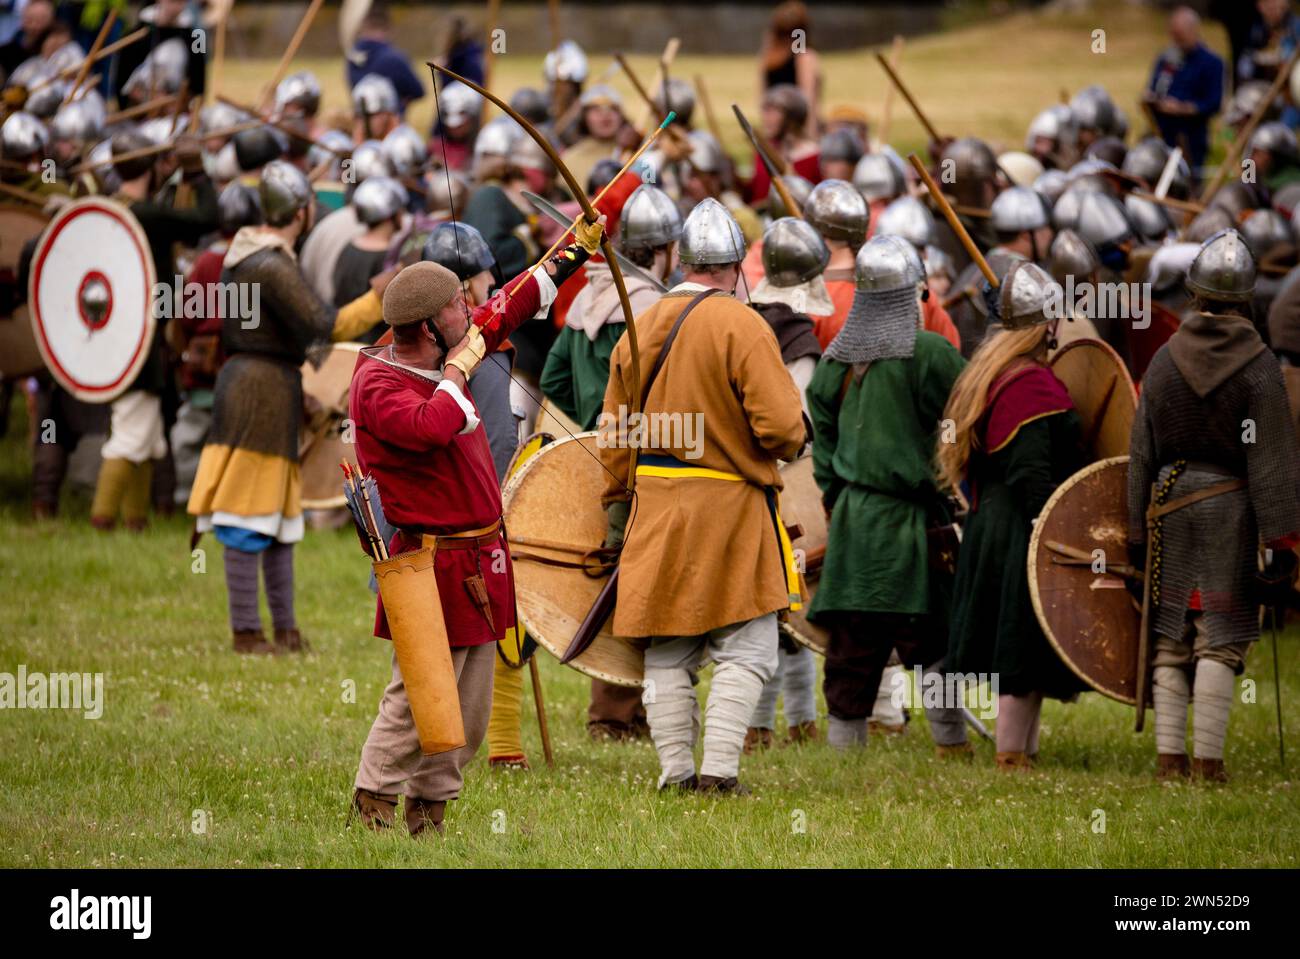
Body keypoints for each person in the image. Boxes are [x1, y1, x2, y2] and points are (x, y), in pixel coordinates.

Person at [348, 216, 608, 835]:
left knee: (469, 700)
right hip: (427, 561)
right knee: (420, 692)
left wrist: (575, 246)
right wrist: (461, 371)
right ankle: (374, 795)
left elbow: (508, 305)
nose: (470, 312)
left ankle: (429, 808)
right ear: (428, 325)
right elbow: (431, 426)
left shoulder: (451, 342)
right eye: (456, 308)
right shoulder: (378, 384)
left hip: (476, 556)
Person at [598, 198, 807, 793]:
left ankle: (674, 774)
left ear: (683, 260)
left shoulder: (638, 328)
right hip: (730, 509)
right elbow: (783, 430)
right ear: (736, 265)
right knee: (747, 645)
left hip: (655, 508)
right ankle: (717, 773)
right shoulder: (743, 324)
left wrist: (618, 513)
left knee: (668, 646)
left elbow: (614, 440)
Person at [187, 161, 394, 654]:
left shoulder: (250, 255)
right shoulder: (269, 262)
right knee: (245, 517)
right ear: (302, 212)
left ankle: (285, 630)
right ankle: (246, 632)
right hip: (256, 392)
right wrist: (376, 298)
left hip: (268, 384)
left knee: (278, 521)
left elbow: (290, 333)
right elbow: (323, 325)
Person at [1129, 229, 1300, 782]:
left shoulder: (1162, 360)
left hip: (1170, 506)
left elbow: (1141, 453)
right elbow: (1270, 461)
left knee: (1172, 637)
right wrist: (1283, 544)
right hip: (1230, 509)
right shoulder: (1257, 367)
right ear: (1246, 298)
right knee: (1220, 636)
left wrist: (1135, 527)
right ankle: (1207, 763)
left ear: (1195, 294)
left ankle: (1169, 759)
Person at [805, 234, 970, 755]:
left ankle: (844, 751)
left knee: (854, 638)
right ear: (912, 292)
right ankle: (951, 742)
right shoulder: (929, 351)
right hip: (910, 521)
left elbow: (820, 424)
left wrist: (836, 486)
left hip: (854, 519)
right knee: (930, 636)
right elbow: (967, 415)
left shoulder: (839, 357)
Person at [942, 262, 1088, 770]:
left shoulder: (994, 371)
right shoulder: (1031, 387)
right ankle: (1010, 756)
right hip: (1020, 525)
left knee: (1026, 644)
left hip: (996, 520)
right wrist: (1055, 527)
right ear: (1045, 324)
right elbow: (1032, 473)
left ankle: (1023, 751)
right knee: (1019, 644)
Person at [89, 129, 217, 531]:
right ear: (148, 168)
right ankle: (102, 521)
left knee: (148, 436)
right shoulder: (145, 215)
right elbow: (207, 219)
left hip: (119, 336)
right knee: (130, 431)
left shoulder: (109, 209)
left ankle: (135, 523)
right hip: (138, 341)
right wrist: (195, 173)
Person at [744, 216, 826, 748]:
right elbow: (797, 427)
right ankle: (780, 721)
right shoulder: (798, 340)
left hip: (745, 480)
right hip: (785, 486)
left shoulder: (741, 325)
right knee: (785, 609)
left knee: (765, 612)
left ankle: (778, 722)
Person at [1144, 6, 1225, 173]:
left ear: (1193, 30)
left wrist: (1182, 108)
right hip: (1161, 133)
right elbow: (1154, 87)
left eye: (1180, 35)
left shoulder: (1212, 63)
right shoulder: (1166, 58)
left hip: (1191, 138)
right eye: (1173, 35)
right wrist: (1151, 98)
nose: (1176, 40)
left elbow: (1214, 104)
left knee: (1189, 182)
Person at [333, 176, 409, 345]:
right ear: (391, 215)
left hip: (342, 342)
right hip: (373, 350)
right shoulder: (390, 257)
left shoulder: (348, 247)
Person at [344, 4, 424, 116]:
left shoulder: (352, 57)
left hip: (361, 118)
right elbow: (418, 91)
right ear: (387, 29)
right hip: (391, 121)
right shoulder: (395, 59)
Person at [758, 0, 821, 138]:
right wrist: (811, 137)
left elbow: (763, 99)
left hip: (776, 130)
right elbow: (808, 101)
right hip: (795, 132)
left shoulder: (769, 57)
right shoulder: (803, 57)